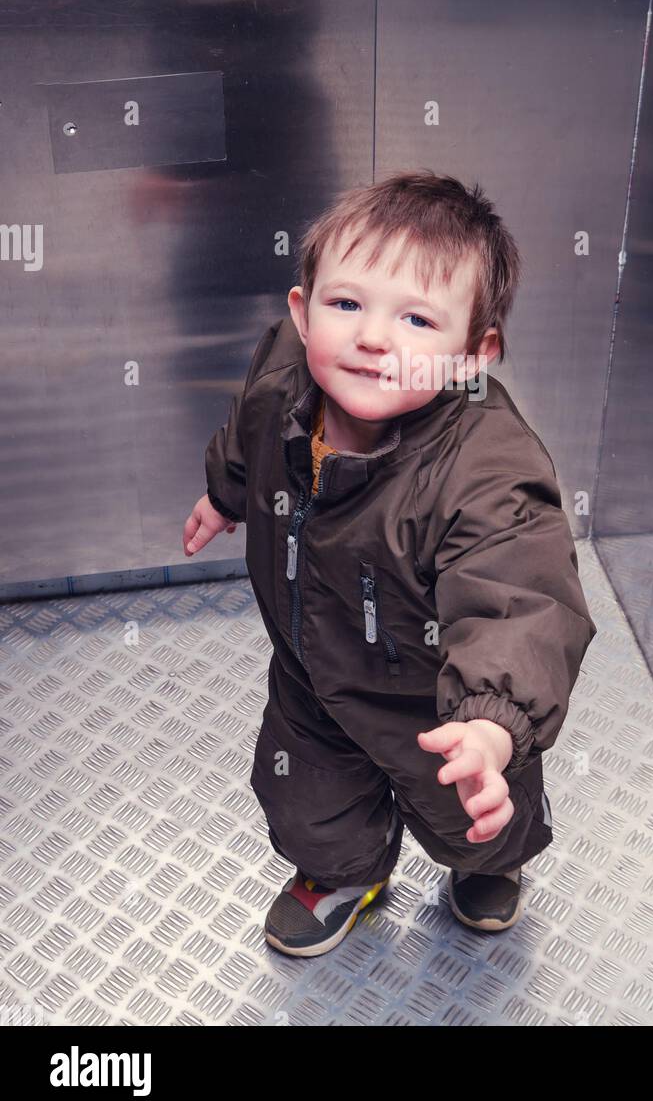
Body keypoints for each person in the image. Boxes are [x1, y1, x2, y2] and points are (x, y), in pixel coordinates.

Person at [182, 169, 597, 957]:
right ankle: (344, 872)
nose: (373, 337)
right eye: (347, 304)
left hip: (439, 705)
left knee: (474, 810)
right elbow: (247, 433)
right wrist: (228, 494)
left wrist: (493, 725)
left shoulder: (487, 467)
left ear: (473, 355)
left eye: (416, 318)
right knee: (307, 796)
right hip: (311, 672)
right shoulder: (282, 378)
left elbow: (521, 598)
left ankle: (491, 862)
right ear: (303, 315)